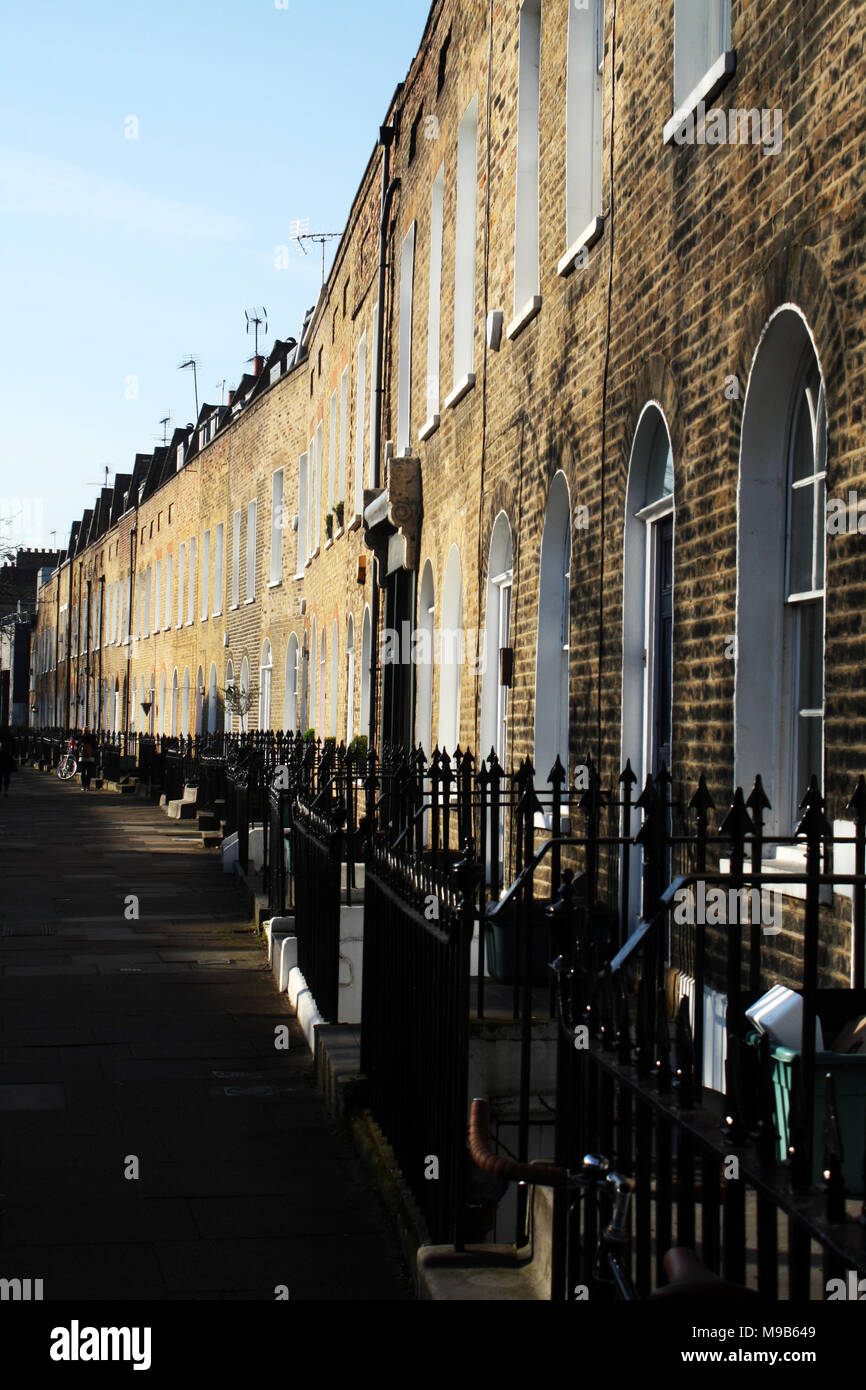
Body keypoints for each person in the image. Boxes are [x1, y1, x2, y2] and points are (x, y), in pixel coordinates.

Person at [0, 726, 16, 797]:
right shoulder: (10, 738)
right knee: (6, 776)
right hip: (7, 759)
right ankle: (5, 791)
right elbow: (14, 750)